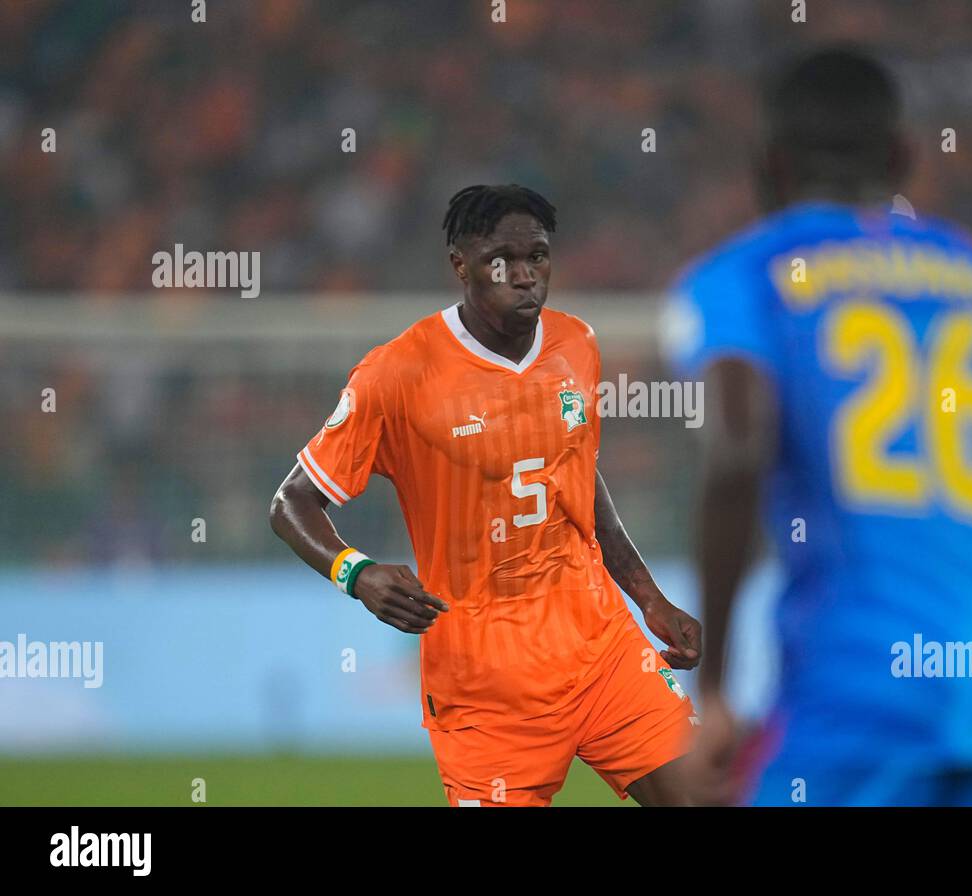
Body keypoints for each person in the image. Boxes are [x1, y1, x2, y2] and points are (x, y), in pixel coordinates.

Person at [667, 49, 972, 806]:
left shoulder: (747, 276)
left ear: (770, 167)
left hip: (858, 696)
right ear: (903, 158)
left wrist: (715, 687)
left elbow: (736, 448)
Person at [270, 184, 701, 807]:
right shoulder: (398, 374)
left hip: (601, 648)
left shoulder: (575, 345)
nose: (525, 276)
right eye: (503, 259)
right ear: (460, 264)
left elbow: (577, 475)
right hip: (486, 683)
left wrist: (650, 599)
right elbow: (291, 503)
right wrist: (354, 572)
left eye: (539, 257)